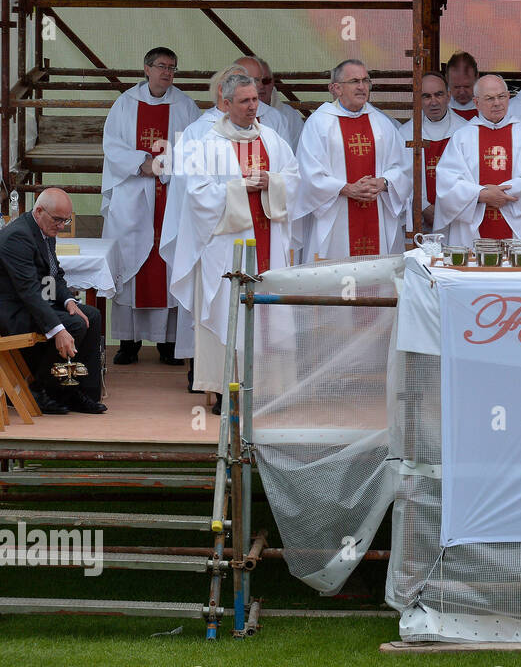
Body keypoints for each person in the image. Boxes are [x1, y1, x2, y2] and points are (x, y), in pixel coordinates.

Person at [170, 73, 299, 403]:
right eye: (244, 101)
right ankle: (229, 391)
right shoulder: (208, 144)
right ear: (225, 104)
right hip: (227, 249)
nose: (253, 106)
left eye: (255, 99)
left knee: (271, 315)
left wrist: (273, 182)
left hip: (269, 243)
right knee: (229, 316)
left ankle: (271, 392)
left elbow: (295, 179)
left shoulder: (272, 139)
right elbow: (197, 196)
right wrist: (241, 187)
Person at [100, 46, 200, 365]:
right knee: (131, 265)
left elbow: (195, 148)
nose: (167, 72)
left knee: (167, 262)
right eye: (161, 66)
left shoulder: (185, 106)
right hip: (132, 198)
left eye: (172, 67)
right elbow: (112, 146)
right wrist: (143, 164)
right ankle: (128, 342)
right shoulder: (125, 104)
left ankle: (168, 343)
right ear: (146, 69)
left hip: (170, 198)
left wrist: (165, 168)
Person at [0, 188, 105, 415]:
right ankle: (41, 389)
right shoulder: (17, 237)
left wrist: (68, 301)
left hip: (34, 303)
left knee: (91, 316)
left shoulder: (44, 231)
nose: (62, 226)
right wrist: (58, 329)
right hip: (13, 313)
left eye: (66, 220)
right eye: (58, 220)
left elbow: (54, 275)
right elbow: (28, 292)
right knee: (72, 325)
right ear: (39, 211)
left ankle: (79, 390)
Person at [295, 59, 409, 259]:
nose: (362, 87)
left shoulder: (382, 123)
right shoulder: (319, 123)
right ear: (335, 88)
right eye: (355, 81)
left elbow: (402, 168)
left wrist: (383, 182)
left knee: (377, 278)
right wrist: (347, 188)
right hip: (336, 215)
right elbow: (308, 174)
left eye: (366, 81)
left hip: (377, 210)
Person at [434, 74, 521, 246]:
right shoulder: (462, 137)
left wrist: (501, 195)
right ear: (476, 103)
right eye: (489, 98)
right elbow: (447, 183)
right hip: (474, 227)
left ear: (508, 98)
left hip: (517, 225)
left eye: (502, 97)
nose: (497, 103)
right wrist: (481, 194)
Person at [397, 70, 469, 236]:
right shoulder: (406, 133)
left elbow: (471, 176)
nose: (433, 102)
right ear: (418, 99)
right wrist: (422, 206)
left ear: (449, 96)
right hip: (419, 218)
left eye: (439, 94)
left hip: (456, 217)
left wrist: (447, 209)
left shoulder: (466, 130)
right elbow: (401, 177)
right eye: (426, 96)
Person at [257, 56, 304, 150]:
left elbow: (300, 154)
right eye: (254, 81)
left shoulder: (290, 116)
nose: (261, 86)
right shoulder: (227, 115)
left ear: (272, 83)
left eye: (266, 81)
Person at [445, 51, 480, 121]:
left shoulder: (490, 104)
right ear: (447, 79)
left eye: (467, 86)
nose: (462, 92)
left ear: (476, 78)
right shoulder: (438, 104)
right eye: (456, 87)